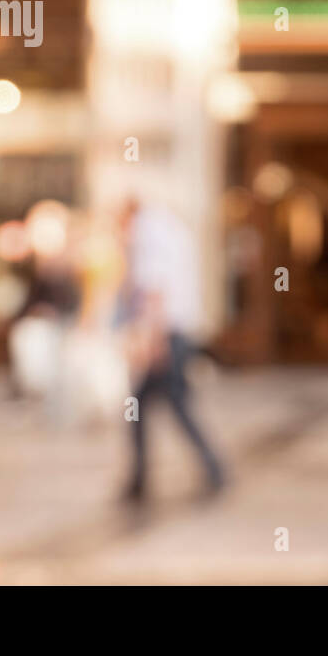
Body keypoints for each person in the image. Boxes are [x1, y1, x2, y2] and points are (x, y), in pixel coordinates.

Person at [118, 197, 225, 502]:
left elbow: (155, 290)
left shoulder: (149, 234)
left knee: (148, 406)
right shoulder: (171, 229)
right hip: (177, 331)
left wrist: (154, 340)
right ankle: (207, 468)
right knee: (169, 405)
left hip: (166, 334)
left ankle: (143, 479)